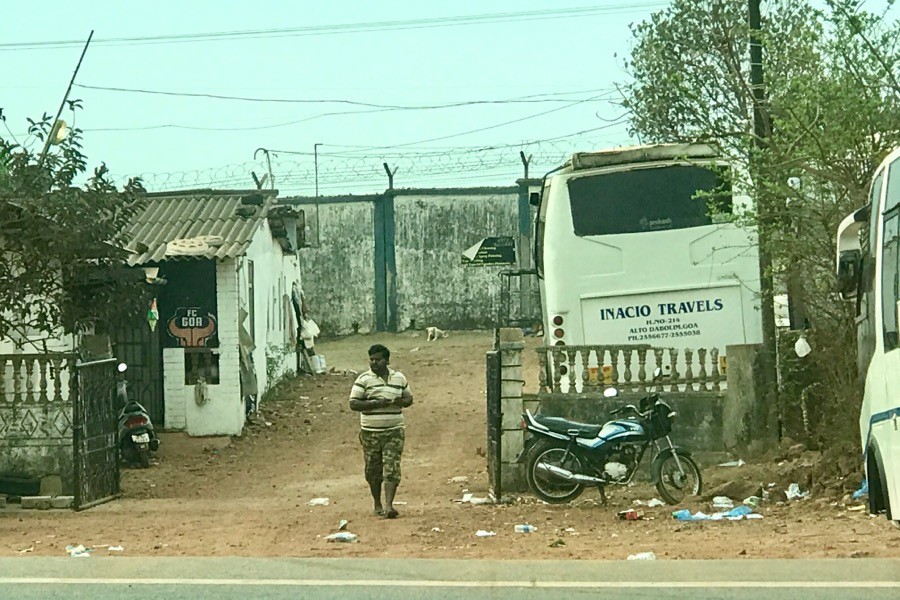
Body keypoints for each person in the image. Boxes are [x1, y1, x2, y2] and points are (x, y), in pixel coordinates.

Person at [349, 344, 414, 519]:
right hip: (370, 432)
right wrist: (376, 403)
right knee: (373, 470)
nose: (374, 363)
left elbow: (409, 398)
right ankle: (377, 502)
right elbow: (354, 403)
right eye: (371, 359)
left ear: (387, 360)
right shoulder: (363, 380)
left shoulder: (399, 378)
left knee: (391, 468)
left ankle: (389, 505)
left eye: (378, 360)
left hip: (394, 431)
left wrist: (398, 401)